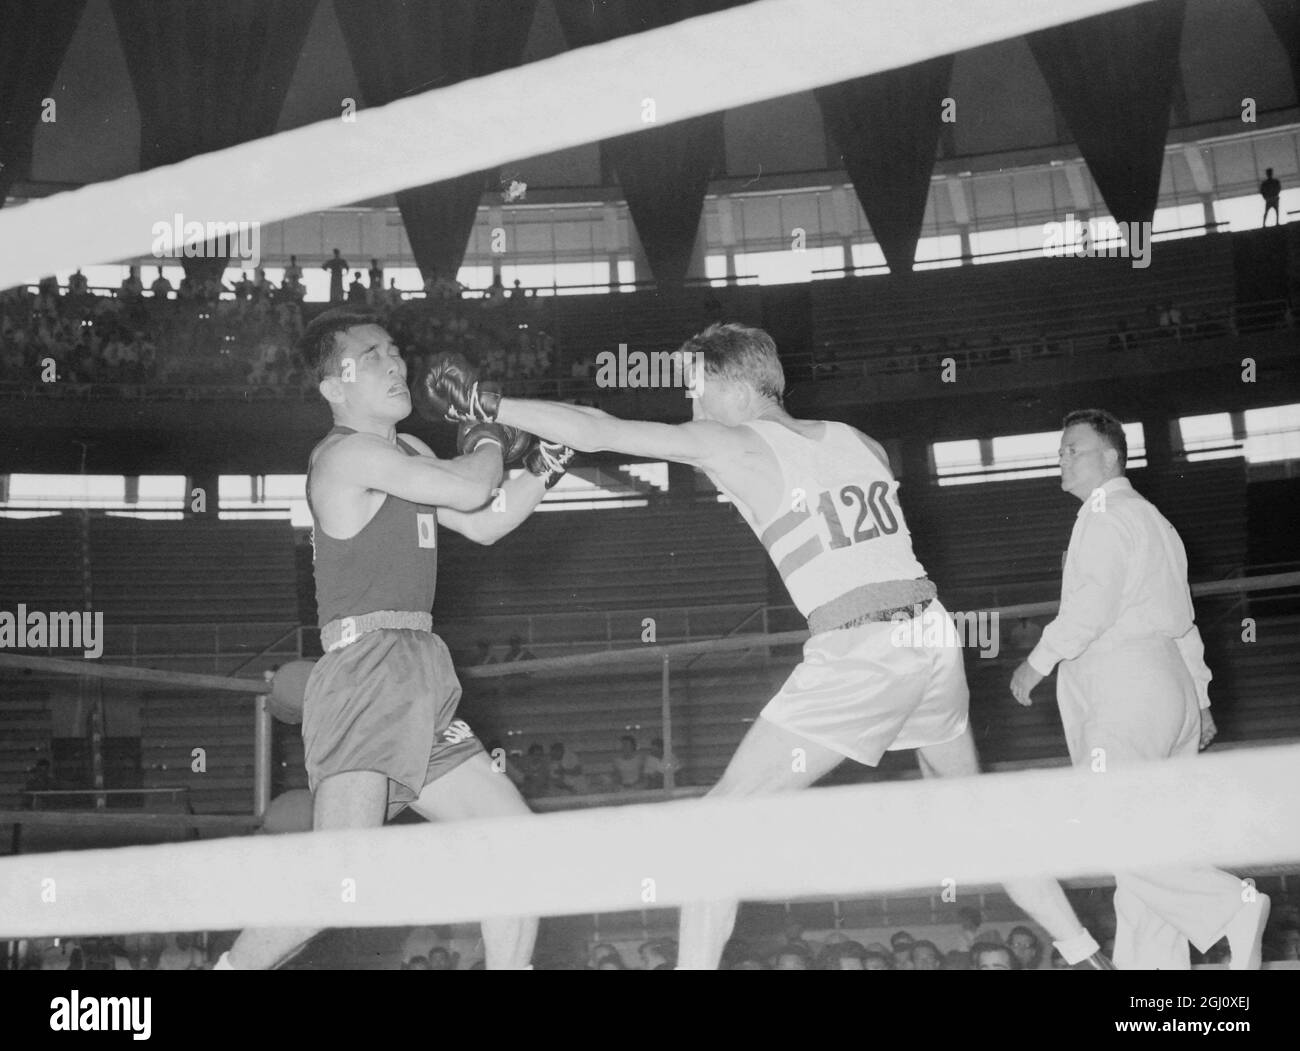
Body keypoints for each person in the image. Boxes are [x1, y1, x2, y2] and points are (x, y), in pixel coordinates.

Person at [417, 323, 1110, 970]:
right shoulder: (856, 437)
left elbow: (599, 429)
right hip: (931, 638)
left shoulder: (737, 443)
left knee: (714, 828)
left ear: (737, 387)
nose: (692, 398)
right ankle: (1083, 951)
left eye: (699, 385)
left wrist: (488, 402)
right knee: (971, 810)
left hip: (863, 649)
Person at [213, 309, 572, 971]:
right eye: (373, 354)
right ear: (334, 386)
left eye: (395, 351)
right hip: (367, 672)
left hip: (418, 673)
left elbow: (486, 520)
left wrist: (544, 465)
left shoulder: (410, 454)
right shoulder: (346, 455)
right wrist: (487, 433)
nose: (395, 362)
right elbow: (471, 487)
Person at [1010, 409, 1270, 971]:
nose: (1062, 458)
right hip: (1165, 684)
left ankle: (1231, 906)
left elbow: (1092, 605)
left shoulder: (1101, 514)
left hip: (1123, 681)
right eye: (1060, 450)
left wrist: (1037, 662)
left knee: (1114, 825)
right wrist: (1198, 699)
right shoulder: (1156, 522)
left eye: (1071, 449)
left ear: (1108, 458)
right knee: (1148, 851)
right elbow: (1184, 624)